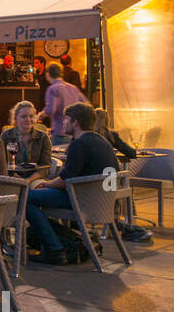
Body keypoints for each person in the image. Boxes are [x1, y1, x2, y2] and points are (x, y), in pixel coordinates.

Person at [26, 102, 120, 264]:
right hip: (103, 203)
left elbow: (63, 181)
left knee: (25, 198)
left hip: (82, 202)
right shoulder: (103, 143)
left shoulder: (78, 144)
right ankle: (56, 241)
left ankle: (55, 248)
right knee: (38, 197)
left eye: (66, 119)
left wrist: (47, 185)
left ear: (75, 122)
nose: (63, 123)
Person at [0, 100, 53, 179]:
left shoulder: (43, 137)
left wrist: (29, 181)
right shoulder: (6, 135)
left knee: (37, 191)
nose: (28, 119)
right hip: (12, 178)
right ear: (15, 118)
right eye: (24, 116)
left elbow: (45, 166)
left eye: (31, 116)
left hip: (35, 178)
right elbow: (1, 163)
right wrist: (17, 178)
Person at [41, 63, 88, 140]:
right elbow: (86, 105)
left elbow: (50, 110)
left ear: (48, 73)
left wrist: (39, 116)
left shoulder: (52, 89)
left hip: (60, 132)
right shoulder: (73, 88)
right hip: (74, 132)